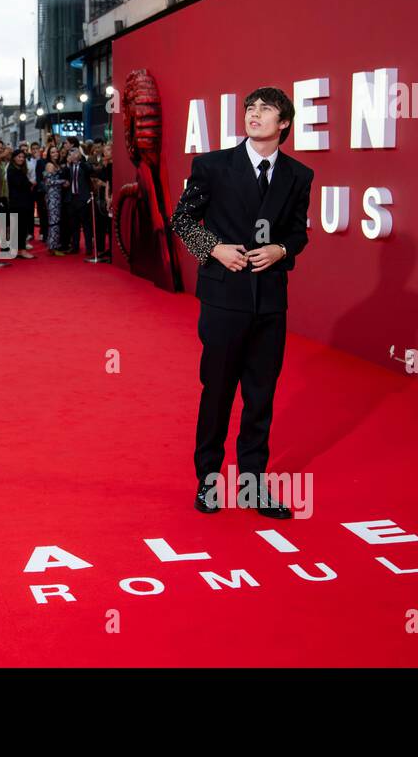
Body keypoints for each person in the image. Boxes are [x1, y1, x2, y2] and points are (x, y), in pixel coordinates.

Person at [169, 87, 314, 519]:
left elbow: (297, 233)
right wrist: (214, 248)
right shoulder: (212, 166)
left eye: (265, 109)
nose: (254, 115)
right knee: (217, 393)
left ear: (283, 123)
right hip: (224, 296)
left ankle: (253, 485)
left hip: (270, 300)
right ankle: (208, 481)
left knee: (260, 396)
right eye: (250, 108)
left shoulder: (298, 175)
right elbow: (181, 219)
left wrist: (281, 251)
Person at [6, 149, 36, 259]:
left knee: (19, 227)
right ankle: (21, 250)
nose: (21, 159)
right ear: (14, 157)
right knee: (20, 227)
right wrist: (29, 184)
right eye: (19, 157)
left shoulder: (17, 169)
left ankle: (18, 250)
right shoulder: (13, 170)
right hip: (18, 203)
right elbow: (21, 185)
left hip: (20, 202)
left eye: (23, 157)